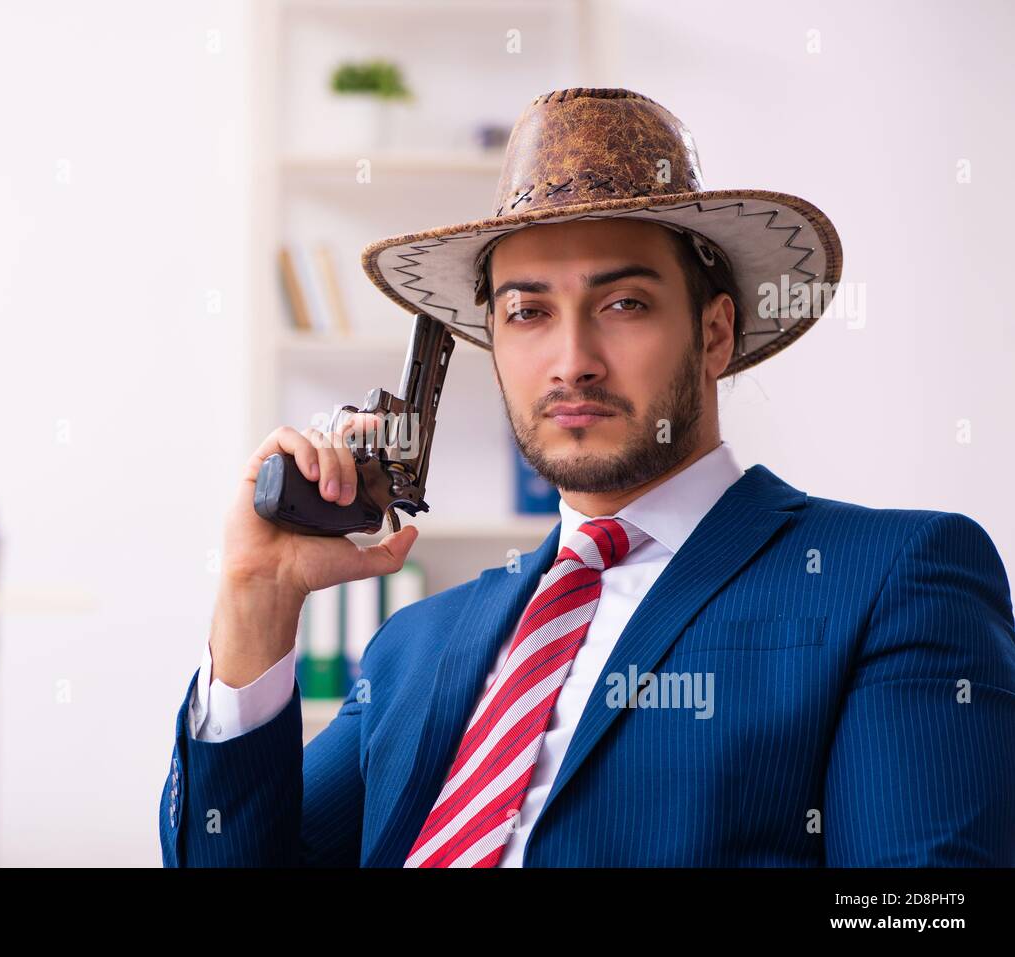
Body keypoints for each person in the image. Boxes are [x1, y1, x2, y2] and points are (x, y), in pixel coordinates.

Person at [160, 88, 1015, 867]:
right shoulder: (414, 645)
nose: (572, 362)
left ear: (715, 333)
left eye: (623, 304)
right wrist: (255, 601)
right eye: (528, 313)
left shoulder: (894, 573)